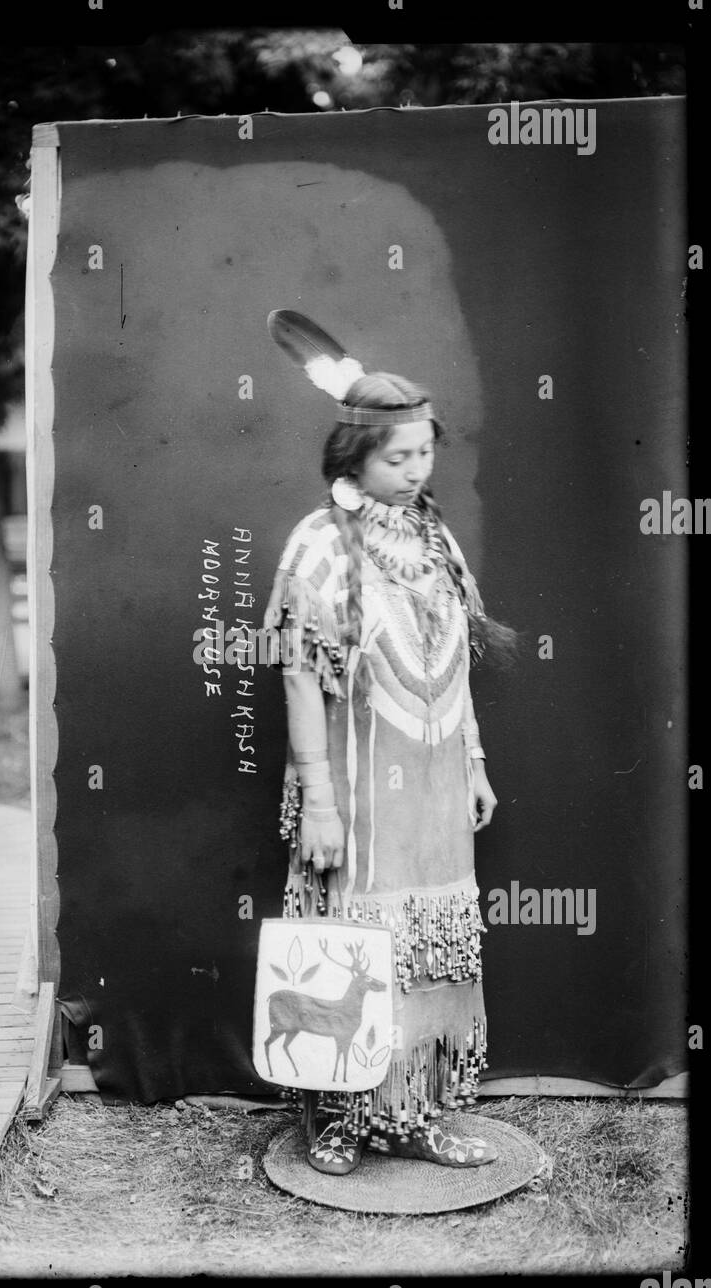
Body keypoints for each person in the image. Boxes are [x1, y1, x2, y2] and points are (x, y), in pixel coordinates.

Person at [263, 369, 517, 1175]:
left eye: (422, 454)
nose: (414, 471)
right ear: (353, 456)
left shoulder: (435, 542)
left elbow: (454, 666)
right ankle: (338, 1119)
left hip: (434, 787)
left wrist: (472, 761)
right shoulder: (317, 545)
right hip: (357, 789)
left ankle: (416, 1113)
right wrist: (319, 803)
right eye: (395, 458)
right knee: (358, 945)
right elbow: (299, 679)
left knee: (432, 945)